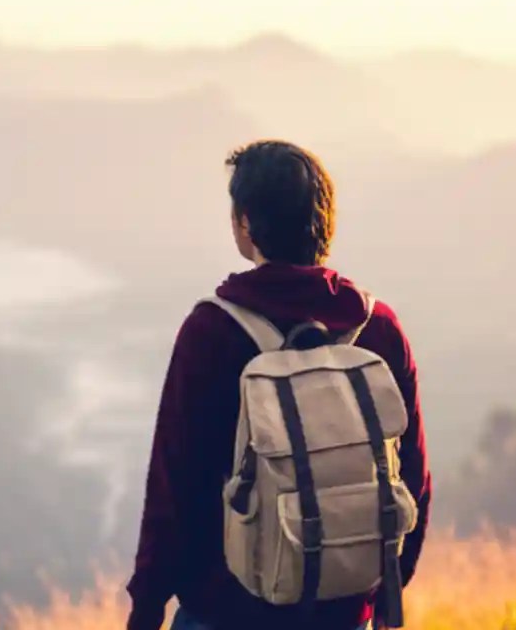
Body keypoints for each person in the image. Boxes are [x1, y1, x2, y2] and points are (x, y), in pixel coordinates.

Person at [126, 140, 432, 630]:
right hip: (343, 607)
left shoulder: (212, 331)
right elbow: (411, 477)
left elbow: (172, 484)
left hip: (225, 609)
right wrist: (380, 589)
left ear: (246, 223)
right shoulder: (378, 328)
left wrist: (146, 605)